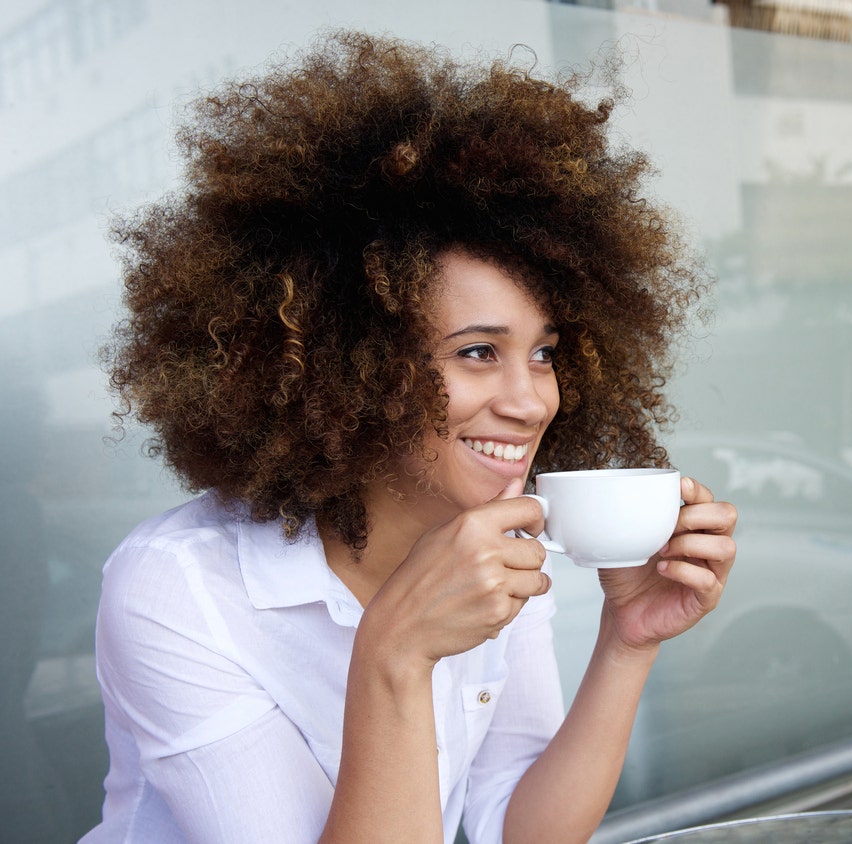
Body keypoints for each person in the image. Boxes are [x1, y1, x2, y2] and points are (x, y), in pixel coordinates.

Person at [83, 30, 737, 844]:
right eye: (476, 352)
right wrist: (395, 654)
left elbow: (518, 829)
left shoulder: (490, 538)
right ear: (344, 364)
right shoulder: (179, 591)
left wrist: (627, 642)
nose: (530, 401)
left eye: (543, 354)